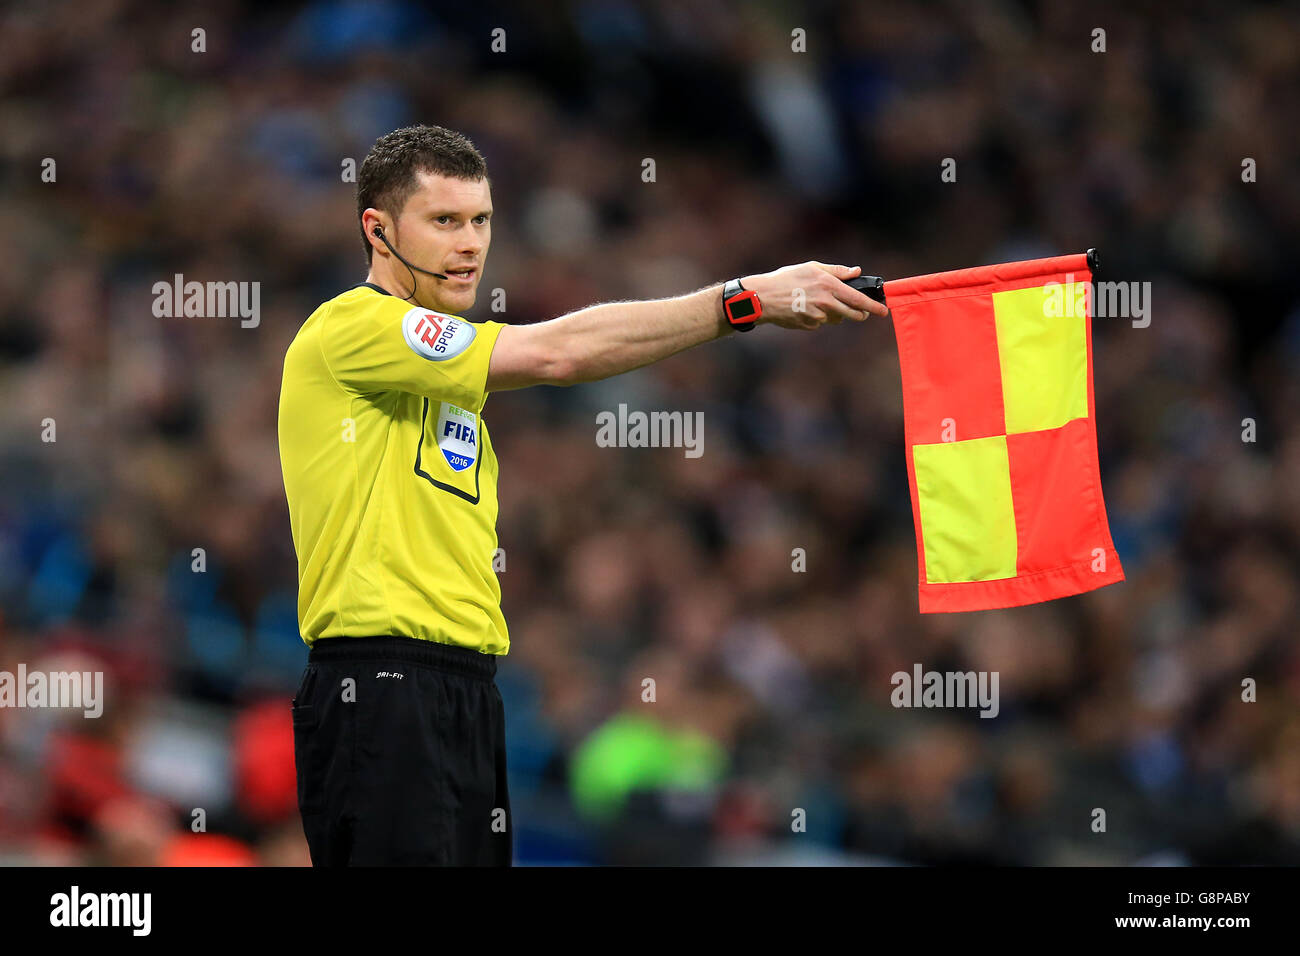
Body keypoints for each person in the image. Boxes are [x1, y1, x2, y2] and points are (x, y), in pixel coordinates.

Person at [276, 124, 887, 866]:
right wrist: (744, 300)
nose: (470, 244)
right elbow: (558, 351)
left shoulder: (440, 384)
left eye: (481, 221)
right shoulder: (353, 325)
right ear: (378, 229)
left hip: (462, 689)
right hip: (378, 685)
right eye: (444, 222)